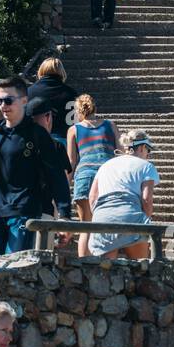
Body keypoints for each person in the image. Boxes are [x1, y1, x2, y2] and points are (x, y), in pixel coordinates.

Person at [0, 78, 72, 260]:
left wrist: (65, 214)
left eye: (8, 100)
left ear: (24, 100)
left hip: (24, 213)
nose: (3, 106)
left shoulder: (38, 135)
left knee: (12, 270)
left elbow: (56, 177)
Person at [88, 129, 159, 261]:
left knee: (106, 270)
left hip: (103, 218)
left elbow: (92, 197)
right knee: (140, 267)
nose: (148, 154)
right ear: (143, 147)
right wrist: (146, 221)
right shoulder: (146, 166)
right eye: (148, 150)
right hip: (131, 216)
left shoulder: (105, 165)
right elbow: (146, 199)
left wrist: (101, 214)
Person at [67, 95, 118, 258]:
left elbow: (71, 161)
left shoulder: (74, 130)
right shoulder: (110, 125)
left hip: (85, 177)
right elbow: (122, 152)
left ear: (78, 111)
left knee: (85, 227)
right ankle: (108, 268)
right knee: (108, 226)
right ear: (95, 108)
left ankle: (84, 271)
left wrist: (65, 186)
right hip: (108, 176)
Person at [25, 57, 78, 148]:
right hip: (65, 142)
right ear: (62, 72)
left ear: (41, 71)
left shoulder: (29, 92)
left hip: (35, 141)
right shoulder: (71, 93)